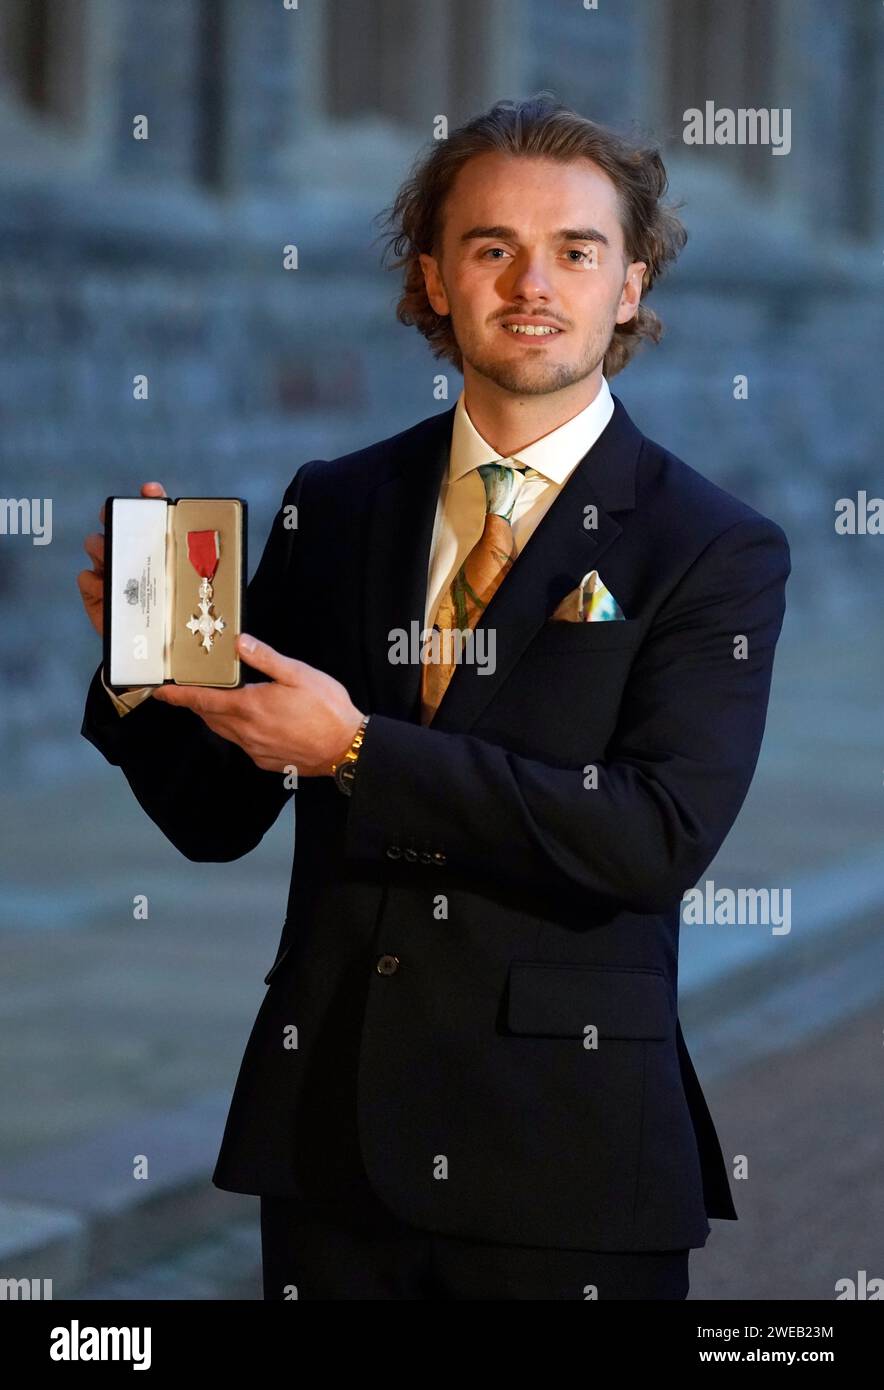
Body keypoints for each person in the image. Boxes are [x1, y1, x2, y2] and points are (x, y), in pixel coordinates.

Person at [77, 95, 791, 1300]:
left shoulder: (713, 547)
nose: (532, 282)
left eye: (576, 250)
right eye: (490, 246)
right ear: (433, 279)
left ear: (628, 285)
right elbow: (216, 821)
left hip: (561, 1155)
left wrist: (357, 752)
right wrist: (146, 675)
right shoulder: (338, 503)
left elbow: (649, 836)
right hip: (332, 1141)